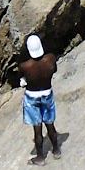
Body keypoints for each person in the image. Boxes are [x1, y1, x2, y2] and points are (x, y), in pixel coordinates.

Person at [18, 34, 60, 163]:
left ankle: (40, 157)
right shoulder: (50, 59)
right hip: (47, 93)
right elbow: (54, 70)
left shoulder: (25, 66)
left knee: (37, 129)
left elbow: (23, 79)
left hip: (32, 97)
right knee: (50, 124)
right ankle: (56, 150)